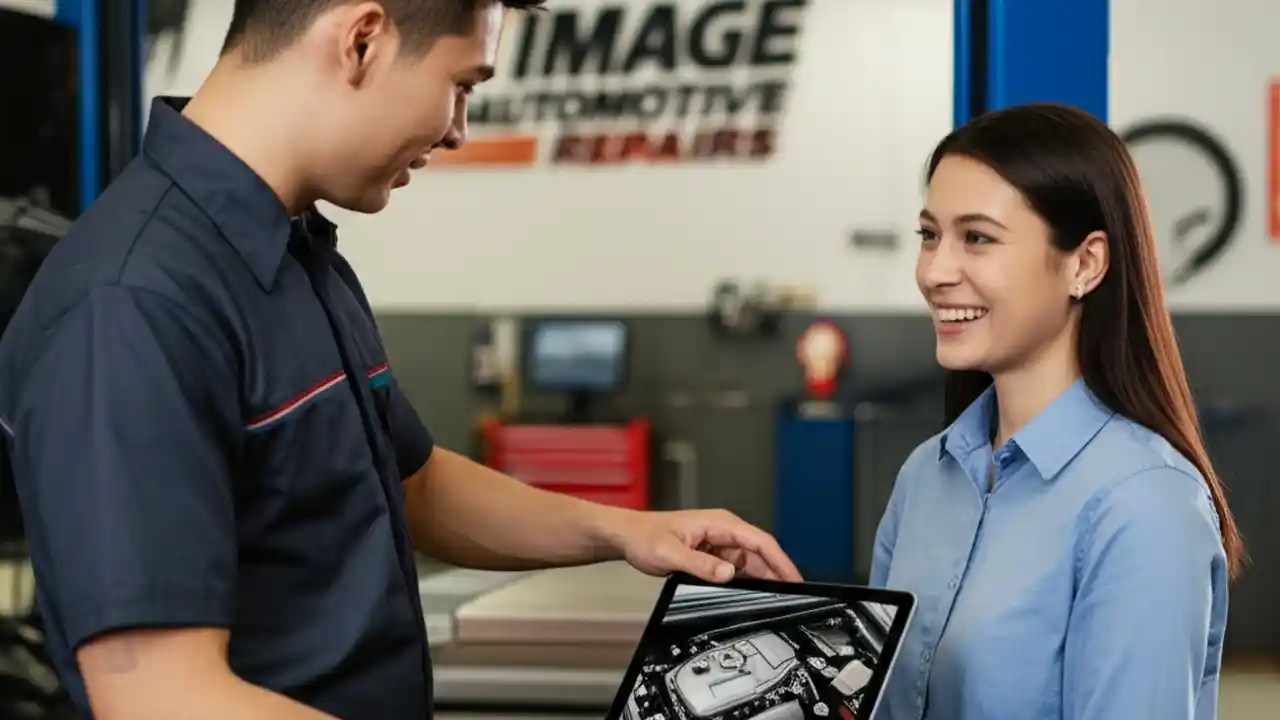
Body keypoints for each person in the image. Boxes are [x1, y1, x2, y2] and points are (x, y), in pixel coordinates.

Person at [0, 2, 803, 719]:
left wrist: (629, 530)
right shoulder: (134, 304)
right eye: (463, 84)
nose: (458, 129)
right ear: (362, 40)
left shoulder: (295, 253)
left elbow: (412, 482)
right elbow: (158, 697)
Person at [870, 103, 1245, 720]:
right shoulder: (925, 477)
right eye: (930, 235)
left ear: (1085, 264)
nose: (935, 271)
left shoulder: (1145, 504)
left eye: (977, 238)